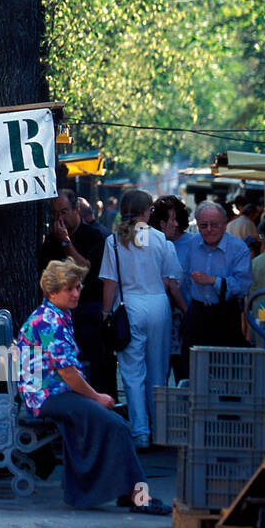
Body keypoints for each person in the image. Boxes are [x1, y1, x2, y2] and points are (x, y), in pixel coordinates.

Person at [16, 260, 167, 514]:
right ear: (52, 292)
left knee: (114, 422)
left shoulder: (55, 315)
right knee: (117, 425)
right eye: (69, 289)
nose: (76, 294)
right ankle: (137, 497)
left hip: (52, 392)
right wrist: (96, 397)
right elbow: (67, 373)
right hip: (48, 396)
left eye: (77, 287)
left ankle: (129, 493)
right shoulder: (48, 321)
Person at [99, 189, 186, 449]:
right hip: (159, 305)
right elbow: (172, 280)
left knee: (132, 373)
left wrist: (106, 314)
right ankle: (160, 428)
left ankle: (140, 432)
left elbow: (110, 283)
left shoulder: (114, 241)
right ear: (147, 212)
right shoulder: (161, 240)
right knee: (158, 371)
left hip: (130, 307)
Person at [37, 191, 110, 394]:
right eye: (54, 214)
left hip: (88, 313)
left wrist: (66, 242)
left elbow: (85, 270)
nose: (59, 219)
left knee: (93, 368)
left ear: (77, 209)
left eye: (64, 212)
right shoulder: (50, 242)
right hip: (61, 317)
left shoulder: (94, 236)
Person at [174, 200, 252, 357]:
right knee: (194, 366)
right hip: (196, 313)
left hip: (225, 315)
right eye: (203, 226)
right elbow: (186, 280)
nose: (209, 230)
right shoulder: (192, 243)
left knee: (225, 366)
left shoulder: (238, 248)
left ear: (224, 224)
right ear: (197, 226)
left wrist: (213, 281)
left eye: (214, 225)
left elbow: (242, 287)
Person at [148, 194, 192, 379]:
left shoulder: (191, 243)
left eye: (176, 219)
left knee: (184, 373)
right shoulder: (155, 244)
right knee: (160, 372)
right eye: (170, 219)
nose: (175, 224)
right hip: (164, 318)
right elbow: (171, 284)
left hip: (182, 321)